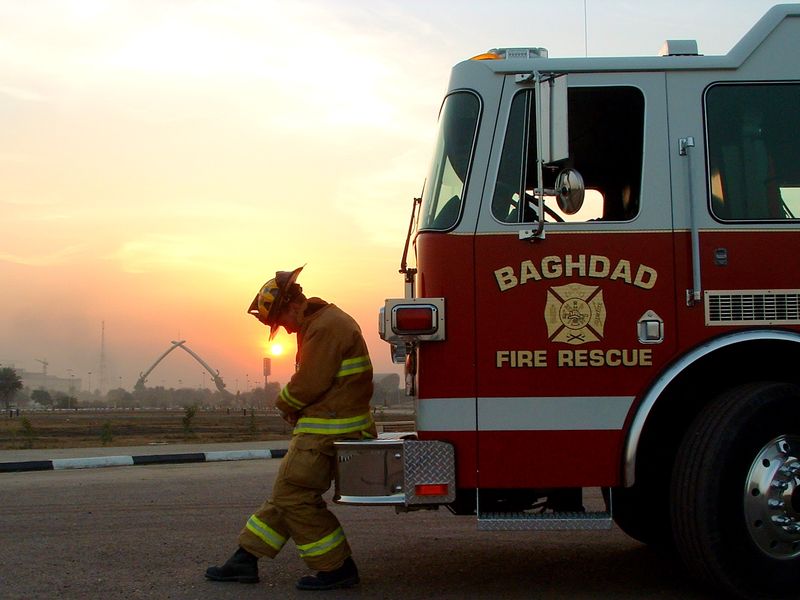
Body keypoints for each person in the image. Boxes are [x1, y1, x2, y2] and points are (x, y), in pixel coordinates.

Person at [205, 266, 376, 591]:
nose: (282, 330)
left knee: (293, 496)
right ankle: (245, 557)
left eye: (279, 322)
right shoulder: (323, 322)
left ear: (291, 305)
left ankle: (337, 568)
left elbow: (309, 383)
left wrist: (283, 405)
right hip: (330, 427)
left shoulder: (325, 328)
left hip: (327, 431)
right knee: (288, 493)